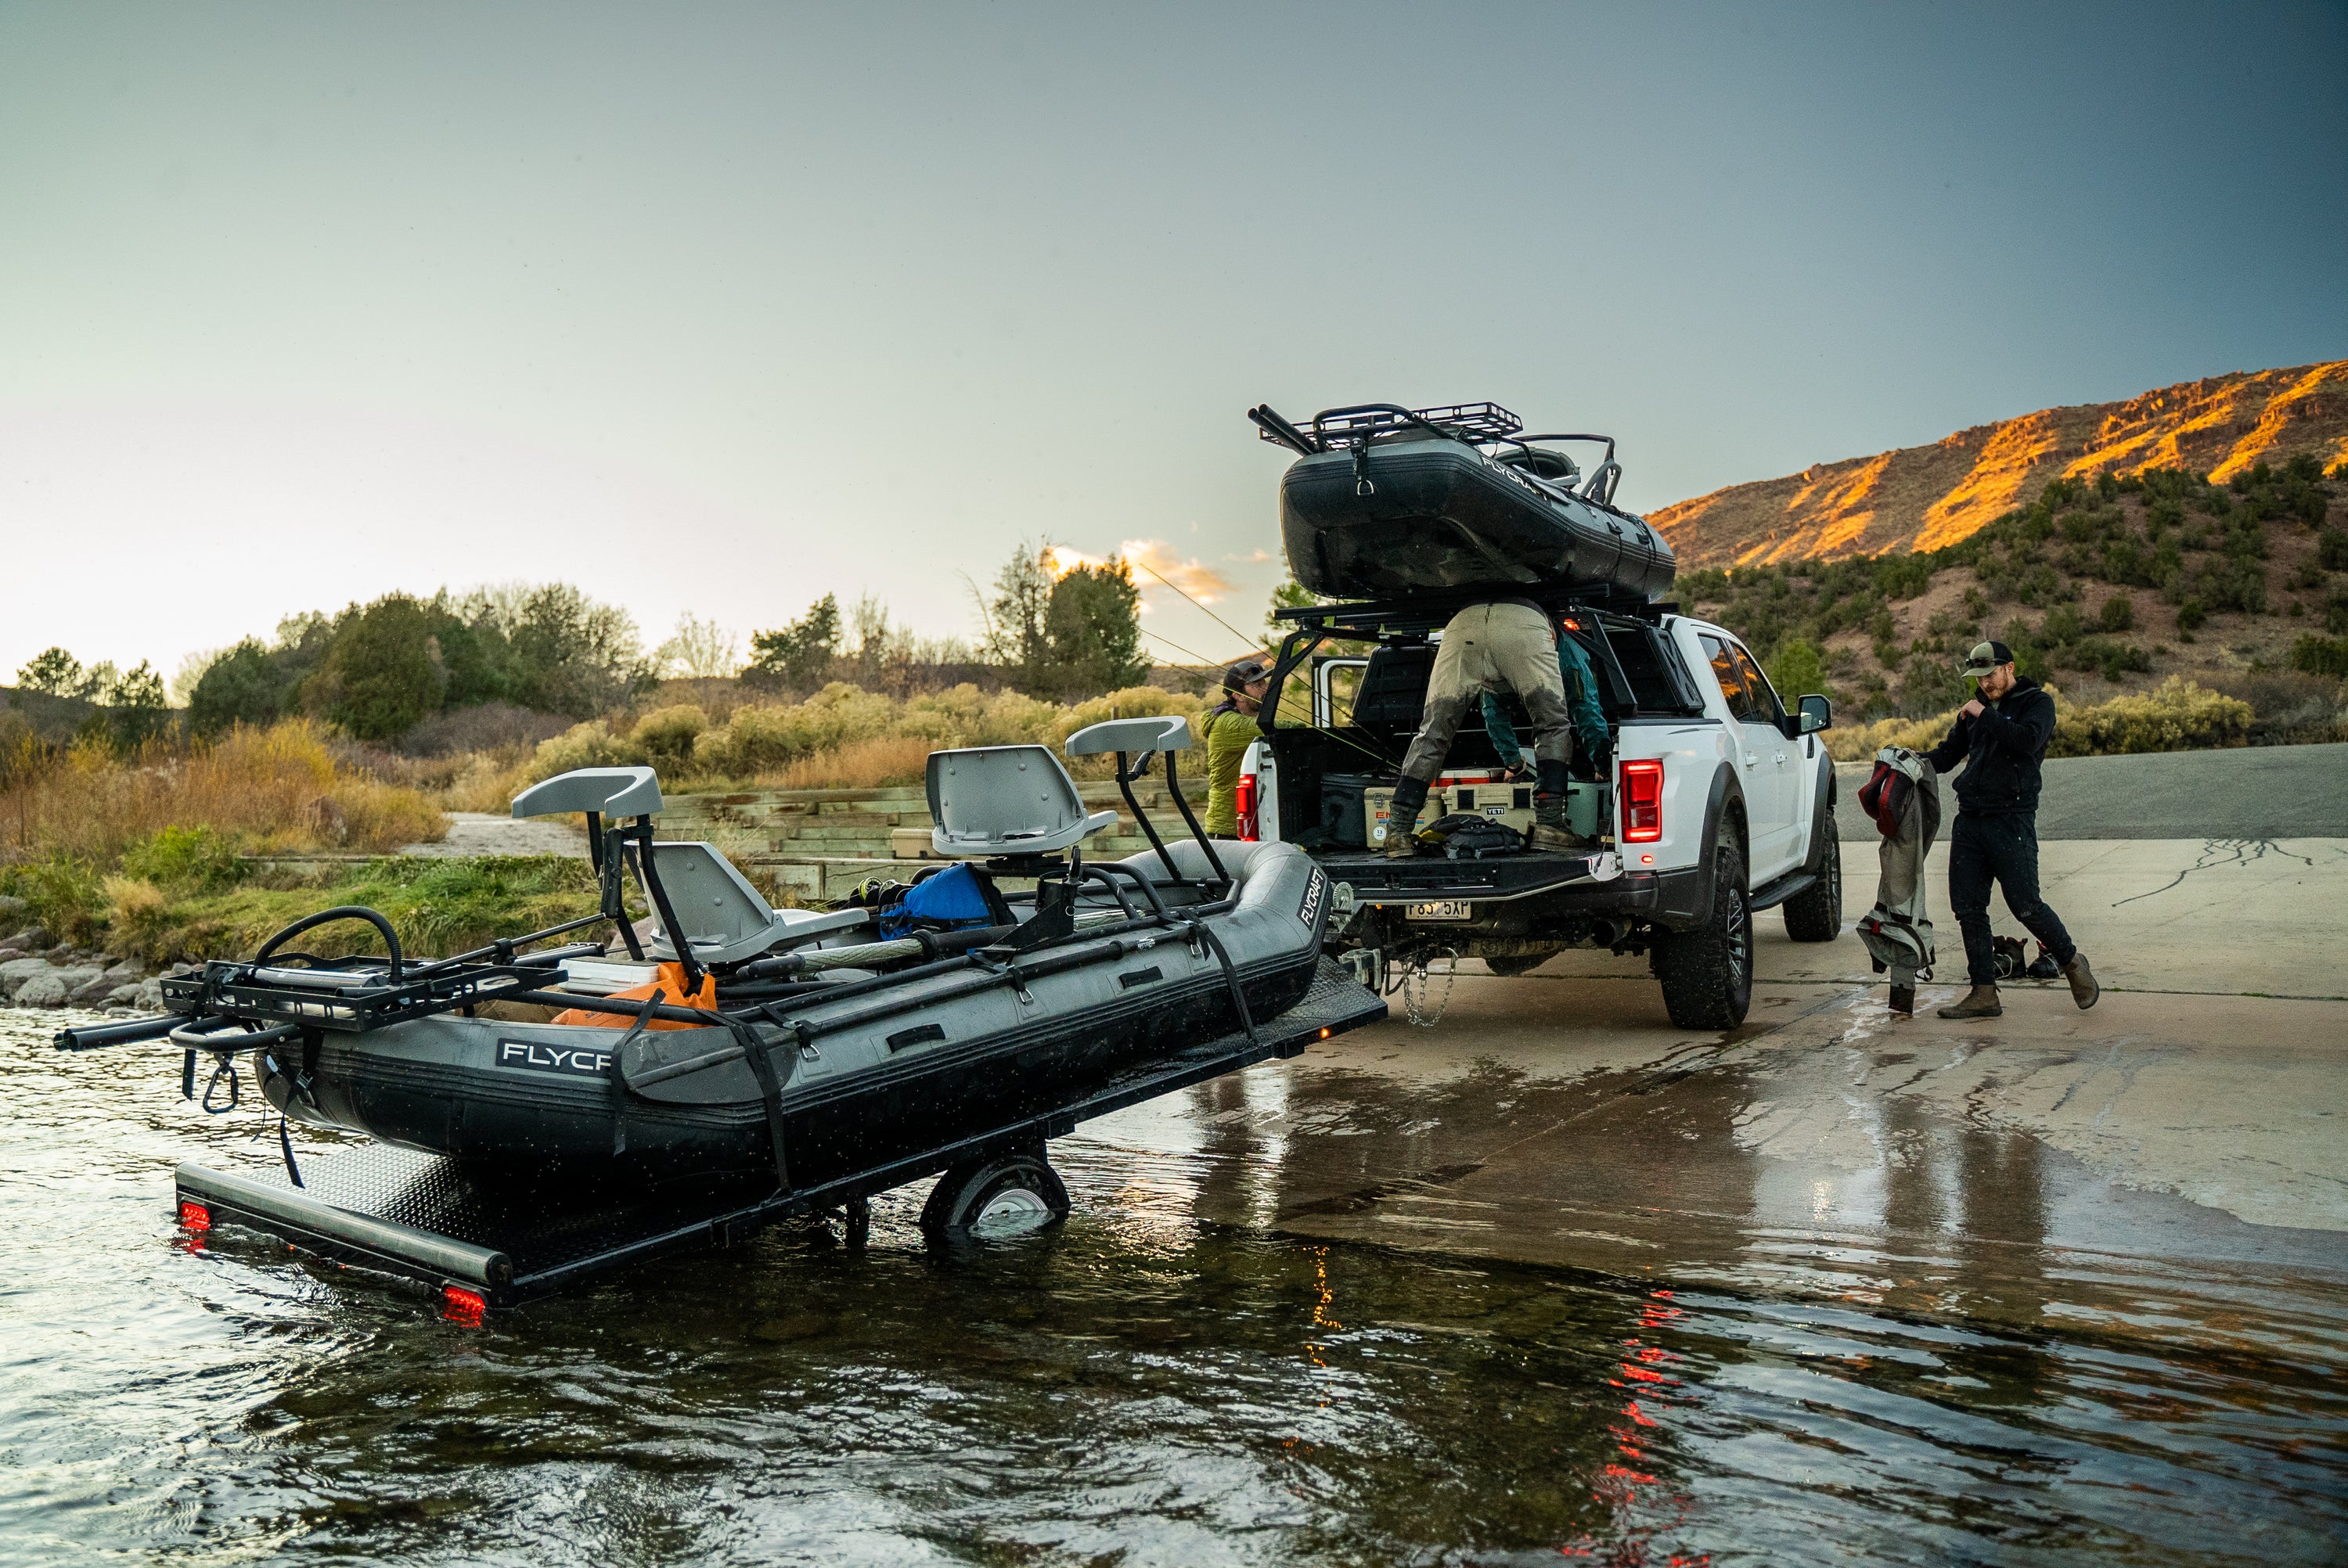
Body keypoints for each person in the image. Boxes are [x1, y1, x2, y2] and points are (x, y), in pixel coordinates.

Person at [1924, 640, 2098, 1019]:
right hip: (1970, 819)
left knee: (2026, 904)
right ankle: (1984, 993)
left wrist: (1983, 715)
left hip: (2012, 818)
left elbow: (2026, 741)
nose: (1985, 683)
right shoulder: (1976, 711)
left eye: (1990, 674)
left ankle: (2070, 962)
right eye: (1979, 677)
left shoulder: (2038, 704)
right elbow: (1948, 755)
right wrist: (1909, 760)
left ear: (2009, 668)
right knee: (1968, 907)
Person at [1387, 599, 1586, 857]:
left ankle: (1398, 833)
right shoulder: (1572, 652)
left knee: (1433, 733)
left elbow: (1492, 714)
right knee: (1552, 725)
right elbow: (1586, 708)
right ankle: (1550, 827)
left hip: (1462, 626)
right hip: (1524, 627)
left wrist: (1512, 763)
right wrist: (1602, 760)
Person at [1478, 613, 1611, 782]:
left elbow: (1493, 715)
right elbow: (1588, 714)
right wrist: (1604, 767)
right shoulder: (1570, 664)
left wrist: (1513, 763)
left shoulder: (1569, 662)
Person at [1201, 657, 1271, 839]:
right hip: (1227, 831)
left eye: (1264, 682)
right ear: (1238, 695)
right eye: (1256, 685)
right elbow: (1278, 727)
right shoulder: (1229, 723)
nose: (1264, 688)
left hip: (1248, 826)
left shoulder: (1245, 719)